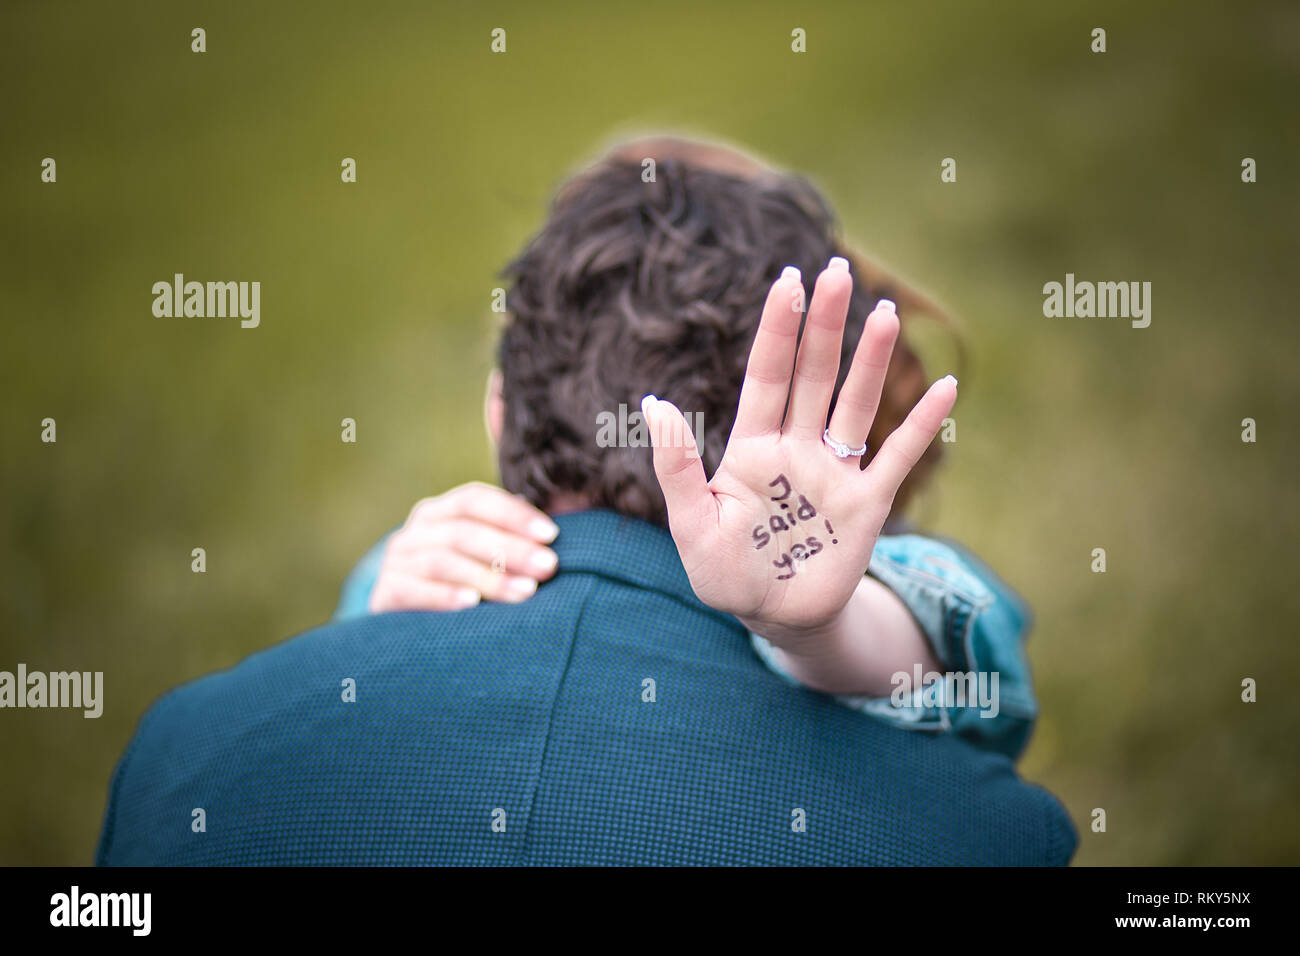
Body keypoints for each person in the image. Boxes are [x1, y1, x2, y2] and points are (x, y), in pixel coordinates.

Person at [97, 138, 1076, 865]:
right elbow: (984, 674)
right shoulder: (979, 837)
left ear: (498, 409)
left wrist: (818, 628)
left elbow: (941, 621)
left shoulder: (181, 761)